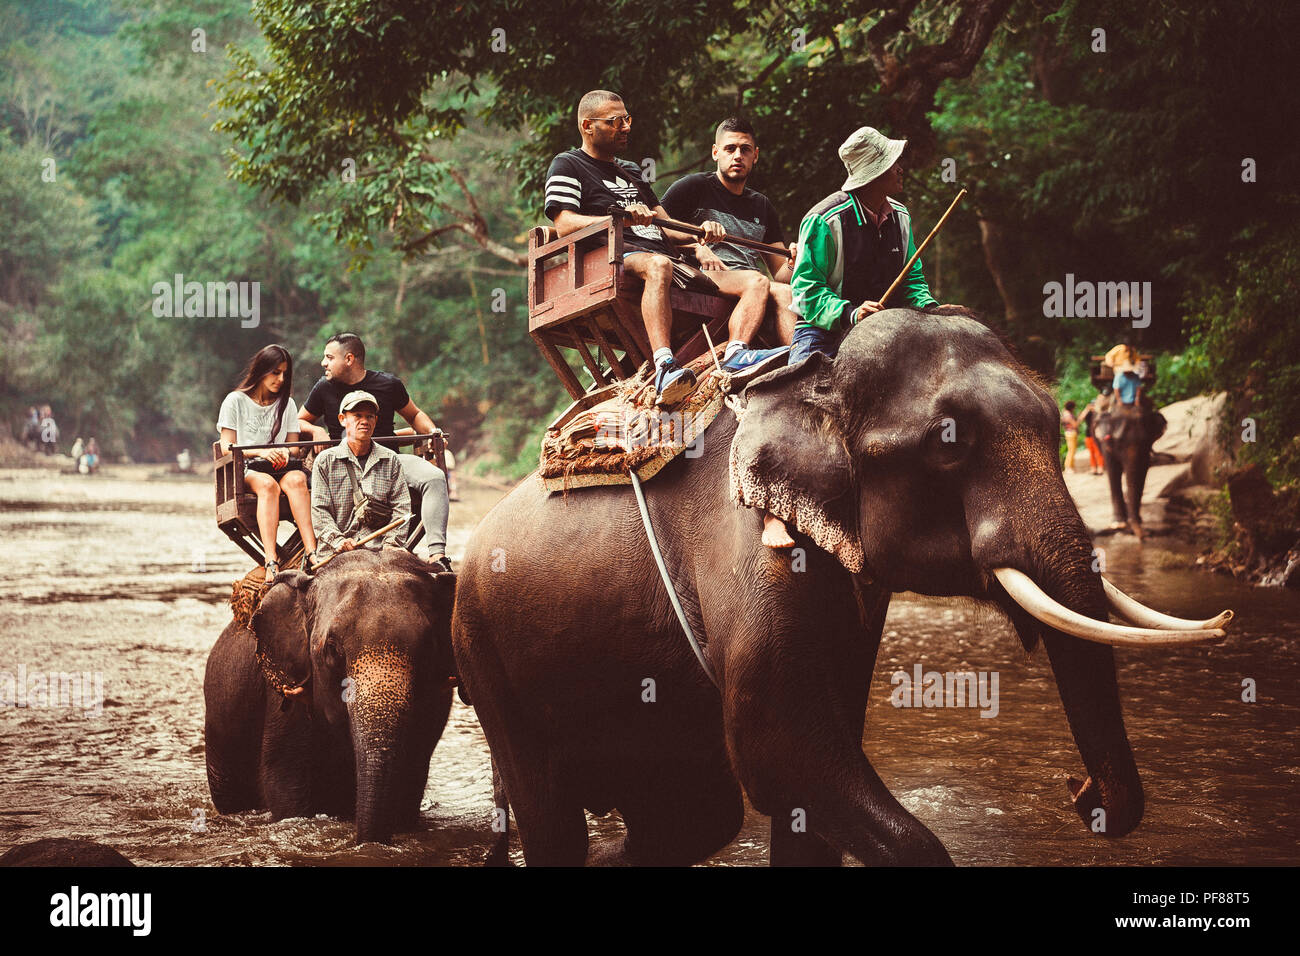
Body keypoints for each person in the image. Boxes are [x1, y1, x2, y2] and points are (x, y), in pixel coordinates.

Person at [544, 90, 776, 406]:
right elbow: (564, 224)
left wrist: (699, 235)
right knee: (658, 265)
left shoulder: (630, 170)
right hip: (613, 257)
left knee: (757, 281)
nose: (625, 127)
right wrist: (622, 219)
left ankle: (736, 355)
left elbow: (666, 225)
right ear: (587, 125)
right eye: (615, 121)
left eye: (627, 119)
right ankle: (665, 365)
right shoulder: (568, 164)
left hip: (668, 258)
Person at [298, 332, 452, 573]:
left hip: (388, 460)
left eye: (329, 357)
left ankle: (437, 555)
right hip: (342, 462)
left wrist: (433, 434)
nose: (323, 363)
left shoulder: (388, 384)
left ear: (349, 359)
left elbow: (414, 415)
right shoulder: (323, 387)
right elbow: (299, 421)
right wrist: (315, 430)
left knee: (434, 477)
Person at [786, 126, 940, 366]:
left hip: (891, 327)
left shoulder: (901, 215)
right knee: (805, 394)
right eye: (892, 164)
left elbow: (912, 279)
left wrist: (931, 309)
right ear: (873, 174)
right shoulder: (824, 220)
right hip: (825, 333)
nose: (900, 169)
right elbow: (807, 292)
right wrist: (851, 313)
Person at [661, 116, 798, 351]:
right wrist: (697, 241)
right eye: (730, 149)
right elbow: (657, 228)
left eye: (745, 150)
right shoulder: (693, 187)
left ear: (755, 155)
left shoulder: (762, 205)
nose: (737, 156)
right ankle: (737, 351)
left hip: (751, 283)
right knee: (757, 280)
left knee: (787, 292)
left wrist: (795, 260)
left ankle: (798, 360)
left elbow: (780, 273)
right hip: (702, 277)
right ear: (716, 152)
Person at [217, 344, 317, 577]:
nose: (280, 379)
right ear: (261, 371)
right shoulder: (236, 401)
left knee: (297, 479)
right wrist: (260, 452)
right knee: (267, 486)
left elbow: (292, 446)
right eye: (275, 372)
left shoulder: (287, 404)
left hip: (281, 467)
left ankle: (313, 552)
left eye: (284, 373)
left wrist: (285, 452)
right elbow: (226, 447)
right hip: (248, 469)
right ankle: (271, 559)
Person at [310, 390, 412, 564]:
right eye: (357, 415)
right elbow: (320, 510)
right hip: (335, 554)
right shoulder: (325, 461)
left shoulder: (390, 459)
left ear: (376, 421)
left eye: (370, 416)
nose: (365, 421)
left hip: (379, 551)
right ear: (343, 419)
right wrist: (338, 541)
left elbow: (402, 507)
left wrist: (390, 544)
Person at [1081, 397, 1105, 475]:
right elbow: (1081, 418)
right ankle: (1093, 468)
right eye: (1092, 404)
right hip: (1088, 435)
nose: (1093, 406)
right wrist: (1086, 409)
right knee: (1091, 453)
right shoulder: (1088, 413)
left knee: (1098, 452)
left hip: (1097, 435)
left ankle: (1100, 468)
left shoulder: (1098, 413)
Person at [1061, 400, 1079, 472]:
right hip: (1071, 433)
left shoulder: (1064, 413)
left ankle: (1071, 466)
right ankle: (1068, 467)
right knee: (1071, 450)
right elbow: (1075, 425)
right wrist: (1080, 419)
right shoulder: (1068, 415)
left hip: (1068, 433)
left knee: (1071, 450)